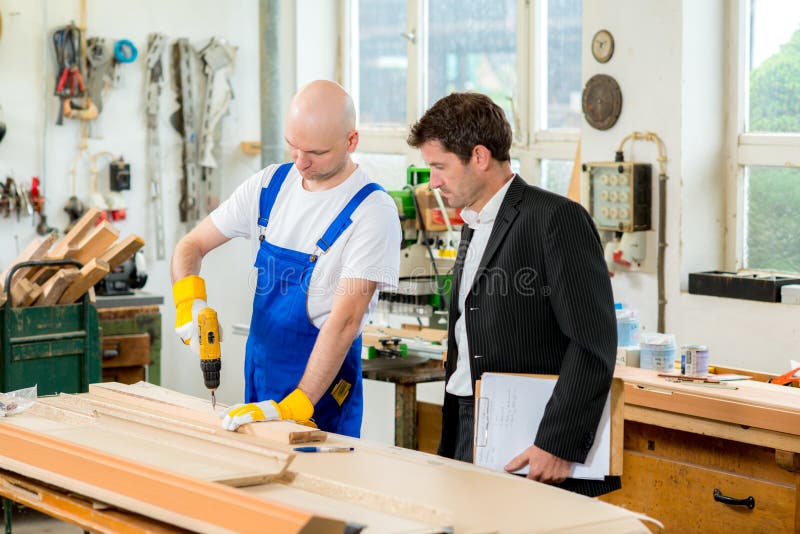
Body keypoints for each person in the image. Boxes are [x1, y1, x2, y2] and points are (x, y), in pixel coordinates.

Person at [407, 92, 619, 497]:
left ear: (480, 157)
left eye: (439, 167)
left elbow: (593, 342)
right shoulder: (473, 221)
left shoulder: (555, 219)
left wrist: (556, 443)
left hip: (534, 440)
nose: (433, 181)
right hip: (467, 423)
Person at [171, 80, 401, 437]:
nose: (301, 163)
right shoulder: (270, 185)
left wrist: (298, 403)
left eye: (316, 153)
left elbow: (345, 321)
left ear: (351, 141)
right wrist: (188, 300)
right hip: (261, 375)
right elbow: (191, 245)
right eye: (293, 146)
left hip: (319, 397)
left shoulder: (372, 212)